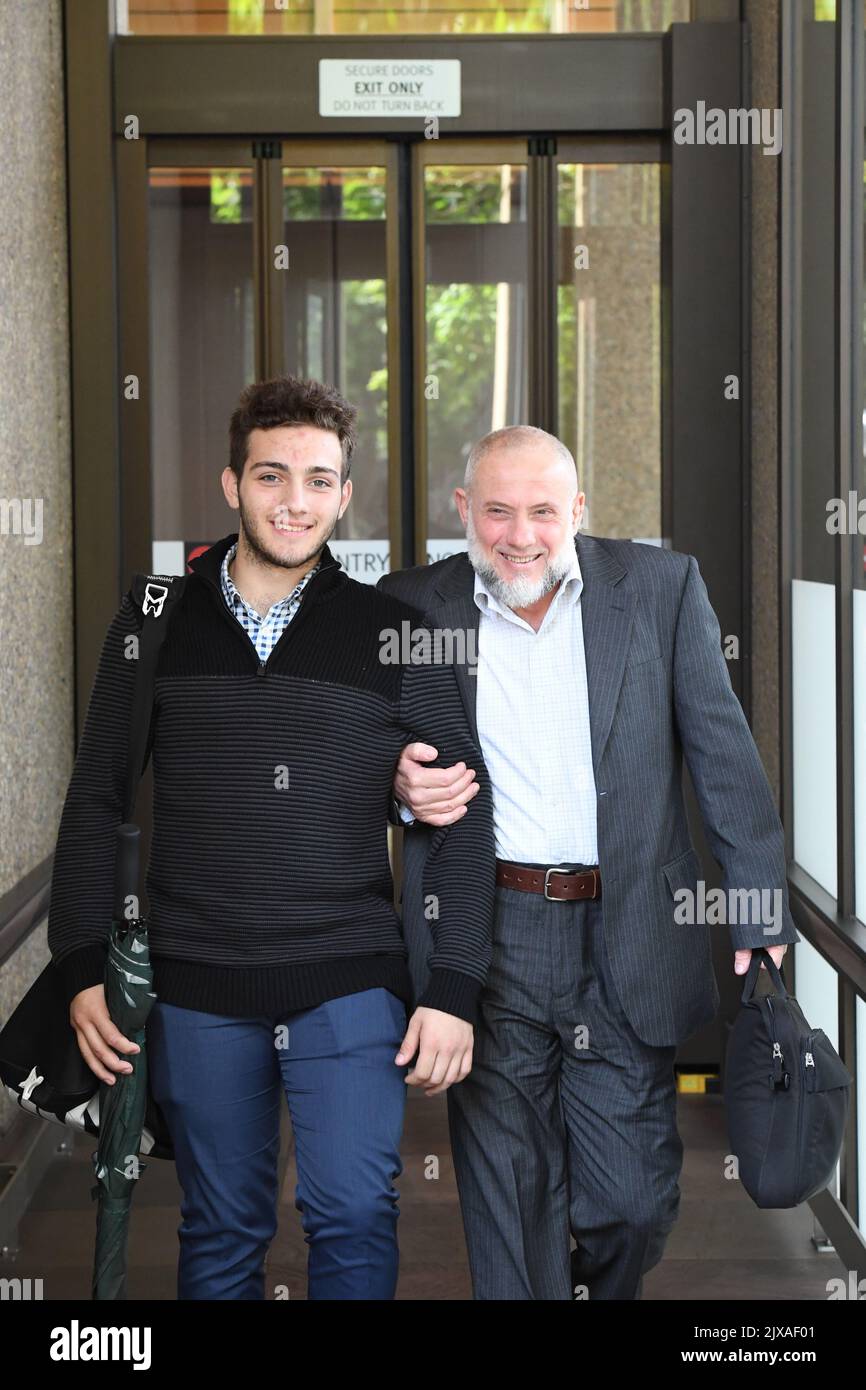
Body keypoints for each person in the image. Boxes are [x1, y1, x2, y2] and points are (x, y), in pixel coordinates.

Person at [47, 375, 495, 1301]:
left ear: (344, 492)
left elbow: (462, 815)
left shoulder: (395, 633)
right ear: (231, 484)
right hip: (198, 979)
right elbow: (97, 796)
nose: (297, 502)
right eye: (273, 476)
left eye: (320, 481)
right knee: (219, 1226)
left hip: (349, 978)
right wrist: (81, 959)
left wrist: (453, 987)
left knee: (356, 1215)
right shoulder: (153, 622)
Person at [378, 424, 800, 1300]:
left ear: (577, 509)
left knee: (631, 1205)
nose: (520, 535)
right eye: (497, 511)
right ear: (465, 510)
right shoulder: (415, 607)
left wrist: (759, 910)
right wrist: (397, 785)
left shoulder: (657, 589)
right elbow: (370, 754)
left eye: (541, 511)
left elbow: (722, 753)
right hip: (485, 934)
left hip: (628, 930)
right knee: (510, 1196)